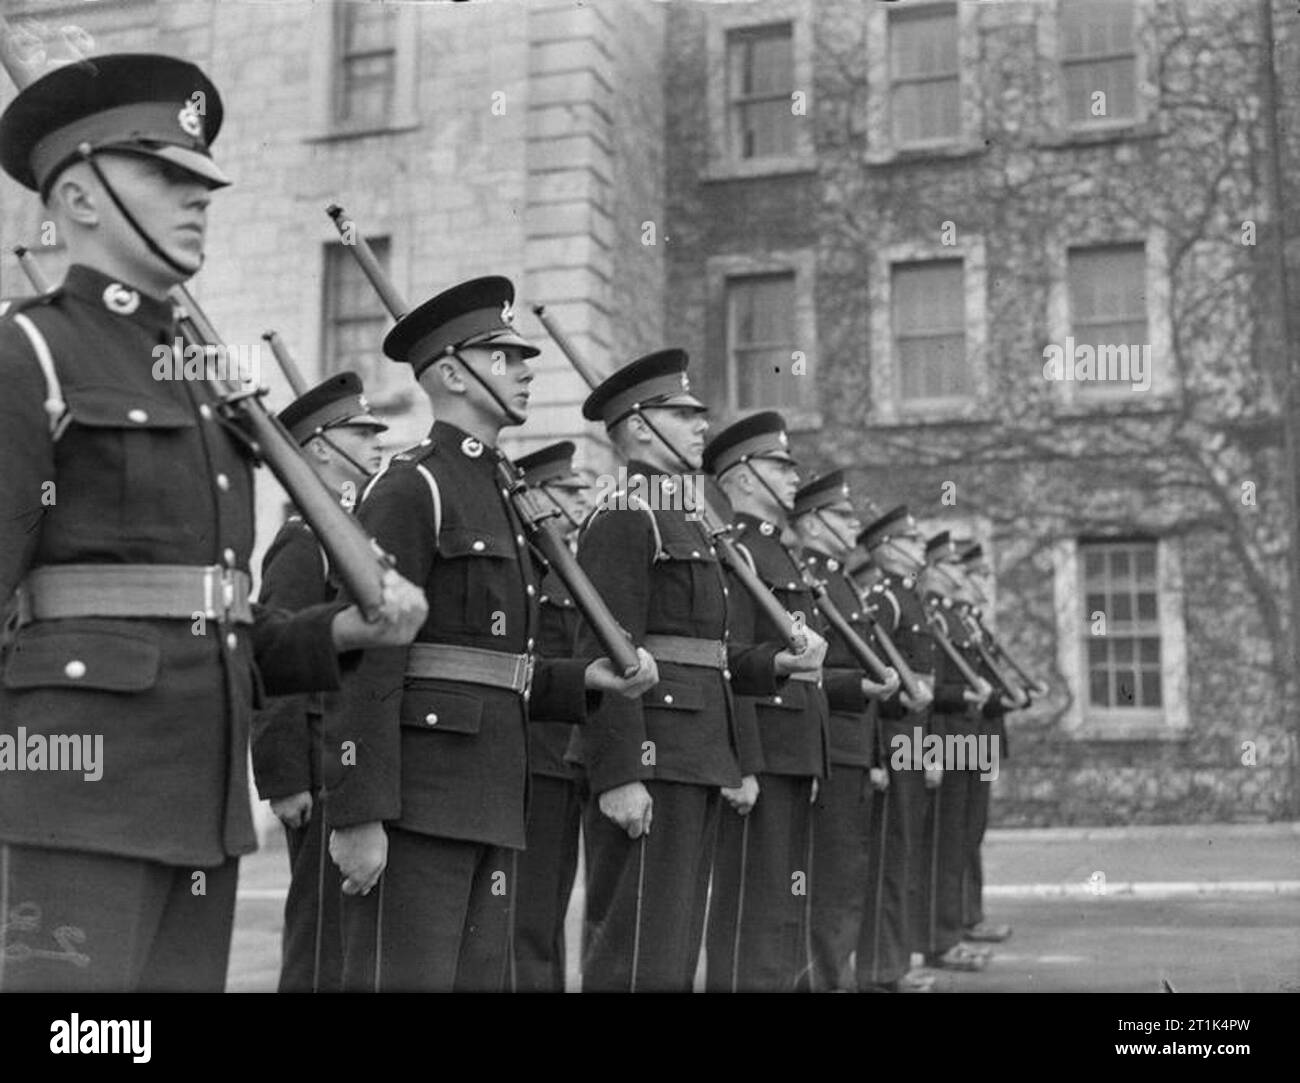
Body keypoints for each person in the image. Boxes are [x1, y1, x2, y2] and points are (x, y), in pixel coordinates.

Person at [0, 54, 425, 992]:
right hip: (70, 806)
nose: (202, 199)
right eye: (168, 176)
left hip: (203, 809)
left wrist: (343, 630)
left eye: (204, 180)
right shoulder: (27, 356)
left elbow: (218, 617)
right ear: (76, 197)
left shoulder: (196, 385)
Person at [324, 276, 657, 992]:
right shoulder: (413, 487)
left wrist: (584, 681)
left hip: (496, 798)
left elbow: (505, 662)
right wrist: (358, 813)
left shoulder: (506, 493)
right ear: (452, 372)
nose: (527, 369)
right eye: (505, 357)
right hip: (420, 802)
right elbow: (366, 662)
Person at [572, 349, 825, 992]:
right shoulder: (626, 514)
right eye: (680, 414)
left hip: (696, 751)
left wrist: (779, 661)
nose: (699, 426)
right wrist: (619, 773)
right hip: (652, 758)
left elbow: (708, 652)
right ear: (636, 427)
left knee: (674, 952)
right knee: (637, 951)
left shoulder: (687, 519)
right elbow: (604, 652)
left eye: (697, 414)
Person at [251, 372, 387, 993]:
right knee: (320, 935)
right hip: (316, 763)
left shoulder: (351, 537)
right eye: (361, 431)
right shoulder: (305, 541)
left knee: (351, 935)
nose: (377, 441)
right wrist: (284, 779)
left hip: (348, 756)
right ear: (323, 447)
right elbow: (276, 660)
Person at [702, 412, 832, 992]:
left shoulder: (780, 554)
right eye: (780, 465)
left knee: (785, 896)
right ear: (745, 477)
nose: (793, 475)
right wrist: (744, 760)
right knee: (752, 901)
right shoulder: (739, 556)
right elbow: (734, 660)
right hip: (765, 748)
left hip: (797, 744)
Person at [792, 471, 901, 991]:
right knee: (827, 882)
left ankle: (838, 978)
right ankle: (827, 981)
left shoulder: (839, 581)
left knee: (845, 881)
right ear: (812, 521)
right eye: (843, 515)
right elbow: (811, 671)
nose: (854, 524)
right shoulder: (808, 577)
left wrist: (877, 757)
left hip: (853, 748)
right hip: (828, 746)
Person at [511, 441, 591, 992]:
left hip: (563, 760)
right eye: (567, 490)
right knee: (527, 910)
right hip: (530, 759)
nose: (581, 500)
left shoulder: (568, 569)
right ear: (536, 495)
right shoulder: (530, 568)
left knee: (551, 905)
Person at [855, 505, 937, 993]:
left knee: (903, 849)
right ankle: (879, 967)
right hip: (890, 735)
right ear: (886, 548)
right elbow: (875, 677)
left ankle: (896, 962)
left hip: (912, 733)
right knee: (887, 855)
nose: (920, 548)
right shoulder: (881, 600)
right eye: (912, 541)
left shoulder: (911, 598)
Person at [913, 532, 991, 973]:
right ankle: (940, 937)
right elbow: (928, 686)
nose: (963, 576)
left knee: (962, 837)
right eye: (956, 567)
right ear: (934, 570)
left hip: (969, 736)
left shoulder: (958, 620)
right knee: (942, 844)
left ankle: (954, 927)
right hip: (943, 737)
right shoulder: (935, 619)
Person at [958, 543, 1019, 944]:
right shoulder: (953, 621)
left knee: (972, 828)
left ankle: (969, 915)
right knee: (959, 830)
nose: (984, 582)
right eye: (977, 574)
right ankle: (959, 920)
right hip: (959, 739)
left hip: (981, 738)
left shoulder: (972, 621)